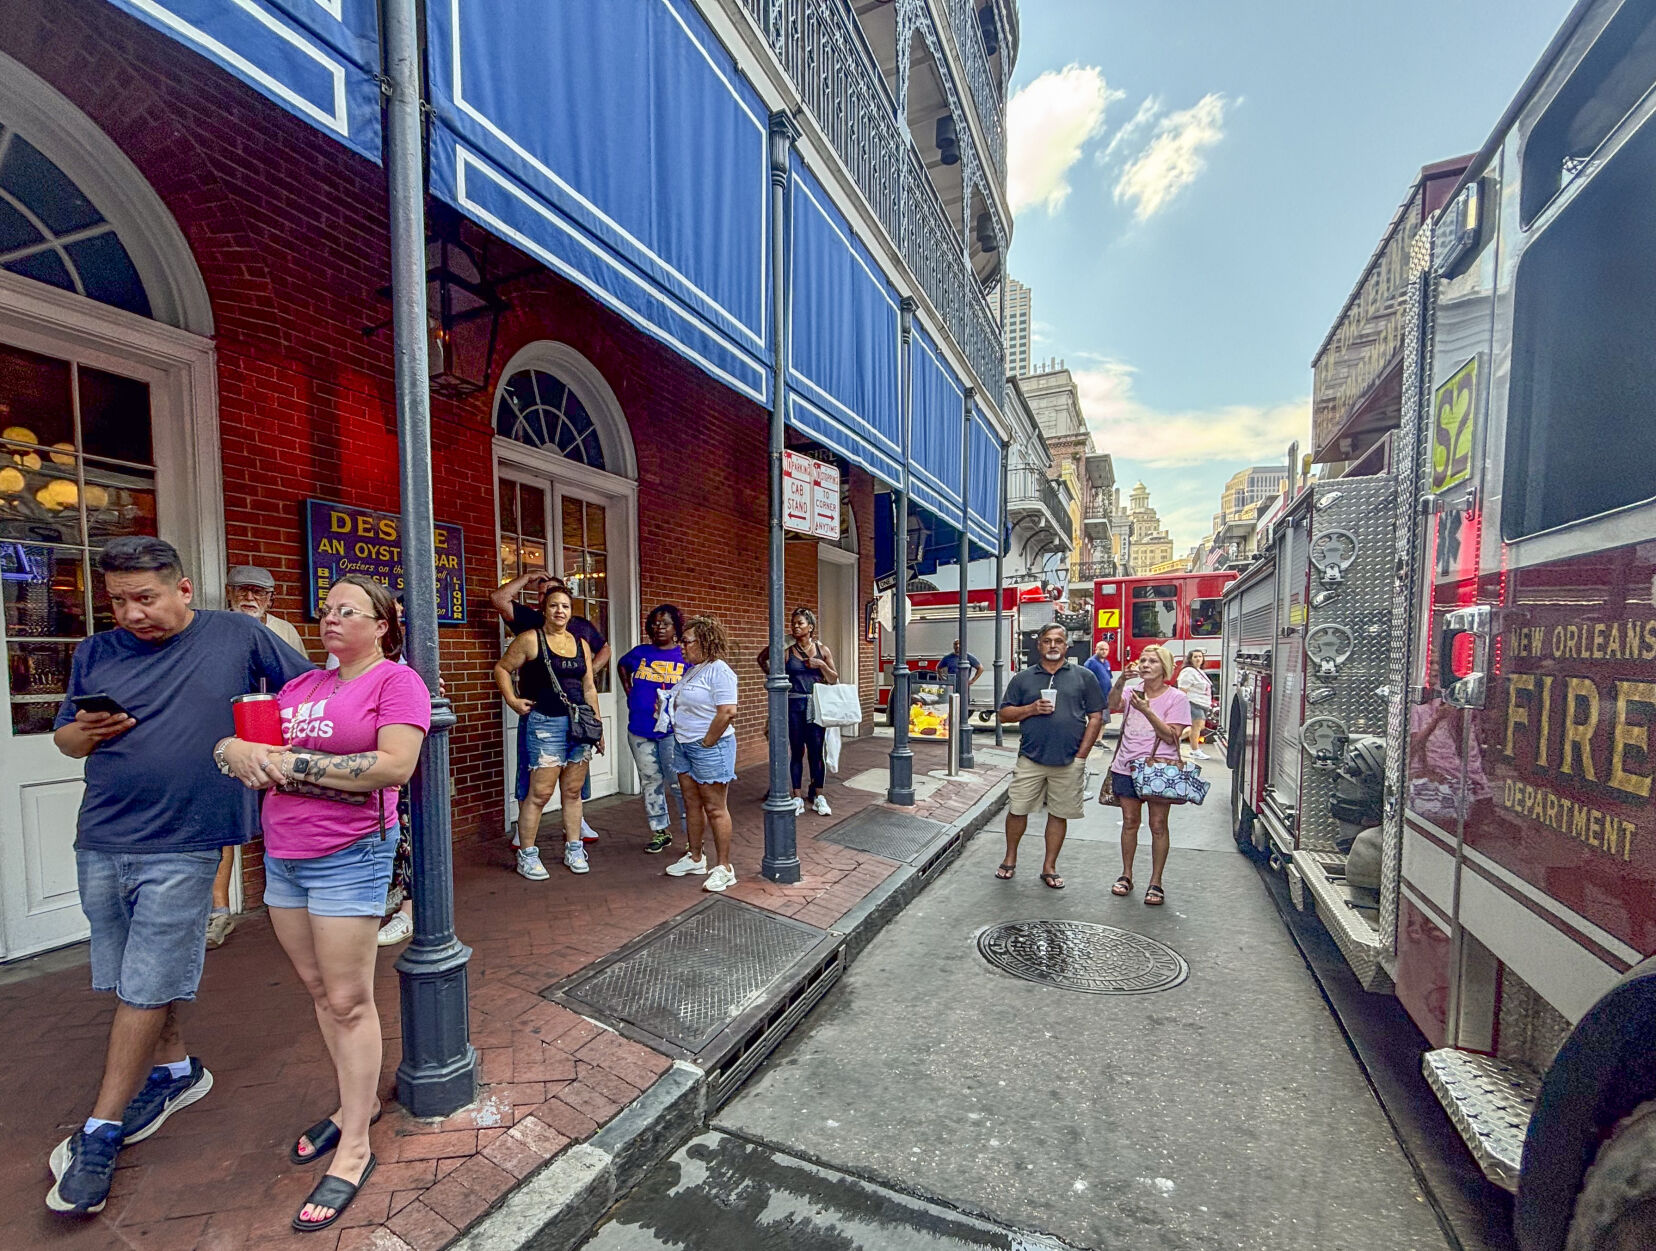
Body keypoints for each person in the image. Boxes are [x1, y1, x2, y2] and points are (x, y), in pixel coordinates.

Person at [45, 537, 312, 1216]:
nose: (132, 612)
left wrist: (265, 739)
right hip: (102, 832)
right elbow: (65, 738)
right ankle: (172, 1071)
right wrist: (90, 728)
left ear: (183, 589)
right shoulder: (96, 652)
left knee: (144, 981)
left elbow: (309, 692)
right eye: (118, 600)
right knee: (126, 968)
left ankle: (101, 1129)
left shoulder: (238, 634)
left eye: (146, 597)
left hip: (186, 836)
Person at [218, 574, 430, 1232]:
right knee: (316, 988)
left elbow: (394, 765)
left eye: (348, 610)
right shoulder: (301, 686)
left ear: (383, 624)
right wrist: (233, 749)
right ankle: (353, 1105)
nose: (331, 618)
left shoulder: (397, 681)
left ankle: (358, 1145)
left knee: (348, 998)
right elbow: (244, 749)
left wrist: (291, 762)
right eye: (328, 608)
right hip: (285, 857)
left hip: (349, 854)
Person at [206, 566, 315, 951]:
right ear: (228, 592)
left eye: (258, 593)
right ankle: (218, 912)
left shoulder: (285, 632)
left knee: (284, 815)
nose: (249, 598)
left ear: (271, 598)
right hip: (227, 740)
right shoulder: (211, 628)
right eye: (241, 591)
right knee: (224, 821)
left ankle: (291, 897)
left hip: (278, 741)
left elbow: (305, 684)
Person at [494, 586, 604, 878]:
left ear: (571, 611)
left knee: (572, 791)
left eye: (565, 606)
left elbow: (589, 687)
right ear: (544, 609)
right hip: (545, 723)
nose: (560, 611)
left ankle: (574, 847)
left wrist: (598, 727)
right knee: (540, 793)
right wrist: (513, 700)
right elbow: (502, 669)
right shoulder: (531, 639)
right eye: (554, 605)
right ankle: (528, 854)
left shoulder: (581, 644)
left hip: (579, 725)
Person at [995, 623, 1105, 890]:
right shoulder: (1023, 678)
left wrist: (1082, 755)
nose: (1053, 645)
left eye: (1058, 641)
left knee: (1058, 814)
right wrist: (1031, 709)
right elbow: (1004, 714)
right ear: (1039, 645)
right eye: (1047, 641)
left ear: (1066, 646)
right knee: (1017, 809)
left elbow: (1096, 716)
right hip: (1031, 757)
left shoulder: (1084, 676)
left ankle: (1049, 867)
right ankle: (1010, 858)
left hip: (1069, 759)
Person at [1101, 644, 1191, 907]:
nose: (1145, 665)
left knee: (1158, 825)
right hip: (1126, 766)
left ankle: (1156, 881)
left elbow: (1171, 735)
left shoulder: (1177, 698)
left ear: (1164, 668)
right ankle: (1126, 875)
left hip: (1157, 770)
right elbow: (1112, 704)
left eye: (1152, 661)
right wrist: (1120, 680)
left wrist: (1148, 710)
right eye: (1142, 660)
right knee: (1130, 821)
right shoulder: (1132, 692)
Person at [664, 616, 740, 891]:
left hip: (709, 747)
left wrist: (707, 742)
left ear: (704, 642)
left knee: (715, 808)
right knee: (691, 803)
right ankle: (696, 857)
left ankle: (725, 867)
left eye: (685, 641)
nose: (680, 646)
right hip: (685, 745)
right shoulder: (693, 670)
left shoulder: (719, 671)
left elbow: (728, 711)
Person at [618, 605, 689, 854]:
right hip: (640, 728)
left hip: (672, 732)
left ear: (676, 628)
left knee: (679, 782)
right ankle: (660, 831)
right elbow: (622, 665)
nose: (659, 627)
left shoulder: (684, 656)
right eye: (656, 623)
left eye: (666, 623)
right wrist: (629, 690)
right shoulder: (640, 653)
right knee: (650, 781)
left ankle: (692, 834)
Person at [756, 607, 839, 815]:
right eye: (793, 623)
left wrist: (819, 664)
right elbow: (765, 663)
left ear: (810, 627)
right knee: (796, 751)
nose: (795, 626)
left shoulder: (823, 650)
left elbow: (833, 678)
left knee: (816, 752)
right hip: (793, 706)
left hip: (815, 707)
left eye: (800, 623)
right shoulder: (787, 651)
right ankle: (797, 796)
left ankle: (819, 795)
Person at [1177, 649, 1214, 760]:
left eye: (1200, 656)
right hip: (1193, 702)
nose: (1198, 659)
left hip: (1202, 703)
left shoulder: (1199, 671)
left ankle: (1173, 740)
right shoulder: (1188, 671)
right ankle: (1195, 750)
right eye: (1195, 657)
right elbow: (1182, 688)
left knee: (1199, 727)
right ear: (1190, 659)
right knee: (1196, 727)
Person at [1084, 639, 1114, 711]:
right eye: (1102, 649)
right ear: (1096, 650)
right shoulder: (1090, 663)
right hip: (1096, 699)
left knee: (1104, 720)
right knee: (1098, 719)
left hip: (1105, 698)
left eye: (1106, 649)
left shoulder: (1106, 663)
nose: (1104, 651)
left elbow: (1109, 678)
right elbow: (1085, 681)